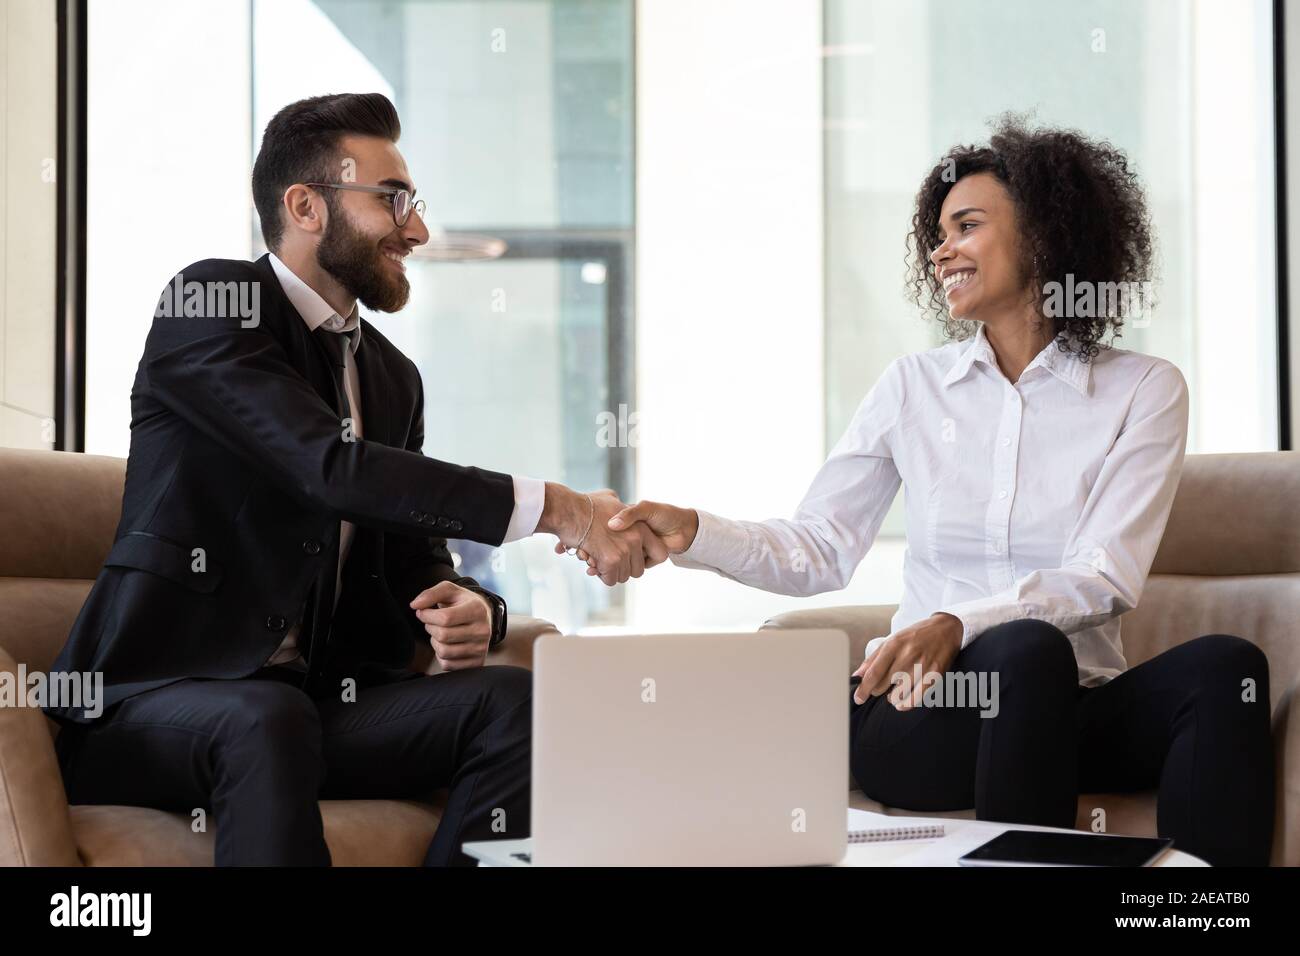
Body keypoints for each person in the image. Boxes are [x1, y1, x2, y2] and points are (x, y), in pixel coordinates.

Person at [581, 119, 1275, 866]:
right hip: (925, 715)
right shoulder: (911, 388)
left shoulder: (1144, 389)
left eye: (967, 226)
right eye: (937, 234)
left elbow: (1105, 574)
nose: (941, 249)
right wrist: (695, 531)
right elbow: (818, 550)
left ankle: (1211, 916)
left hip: (1070, 714)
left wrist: (956, 619)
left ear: (1047, 233)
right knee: (1025, 649)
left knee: (1225, 665)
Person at [43, 92, 665, 867]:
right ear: (305, 205)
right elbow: (327, 469)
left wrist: (471, 607)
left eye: (415, 202)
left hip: (311, 710)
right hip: (147, 708)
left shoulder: (392, 378)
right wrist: (561, 509)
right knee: (264, 717)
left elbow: (413, 558)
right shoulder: (211, 306)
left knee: (519, 705)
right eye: (393, 199)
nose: (417, 229)